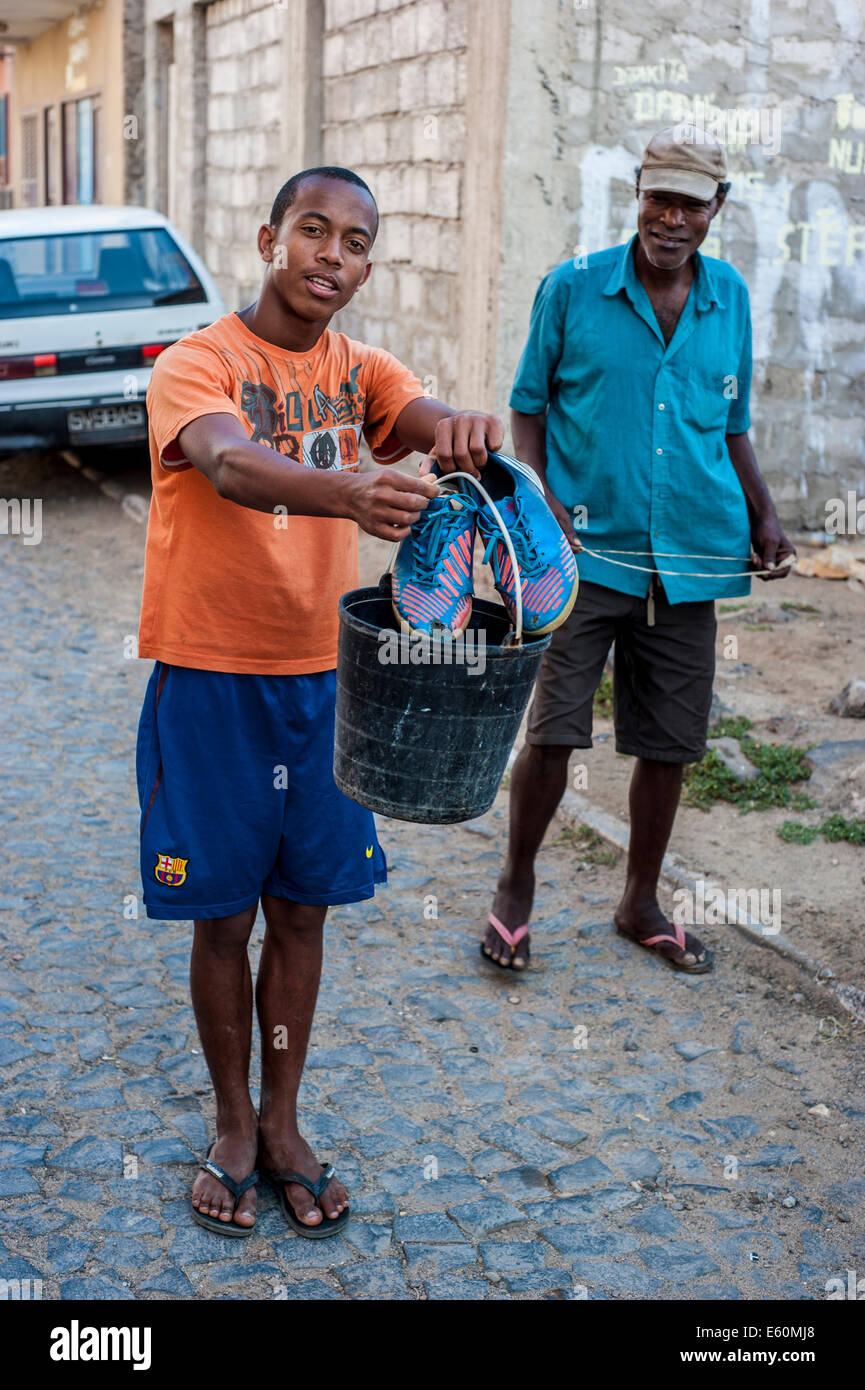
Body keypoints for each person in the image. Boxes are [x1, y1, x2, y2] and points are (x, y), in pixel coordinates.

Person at [137, 166, 503, 1235]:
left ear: (367, 264)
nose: (329, 256)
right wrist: (343, 489)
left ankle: (285, 1119)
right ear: (268, 239)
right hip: (210, 680)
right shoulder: (197, 362)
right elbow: (231, 464)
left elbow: (422, 416)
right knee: (223, 916)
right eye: (311, 231)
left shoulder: (361, 372)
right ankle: (232, 1123)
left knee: (303, 912)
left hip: (327, 684)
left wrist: (464, 431)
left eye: (352, 242)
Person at [482, 127, 795, 974]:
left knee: (669, 744)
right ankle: (514, 887)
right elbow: (528, 406)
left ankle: (639, 900)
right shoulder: (573, 288)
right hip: (585, 555)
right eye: (659, 198)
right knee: (552, 732)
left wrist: (764, 516)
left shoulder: (727, 297)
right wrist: (541, 500)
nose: (671, 217)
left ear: (715, 210)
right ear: (637, 197)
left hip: (692, 555)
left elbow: (730, 426)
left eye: (691, 203)